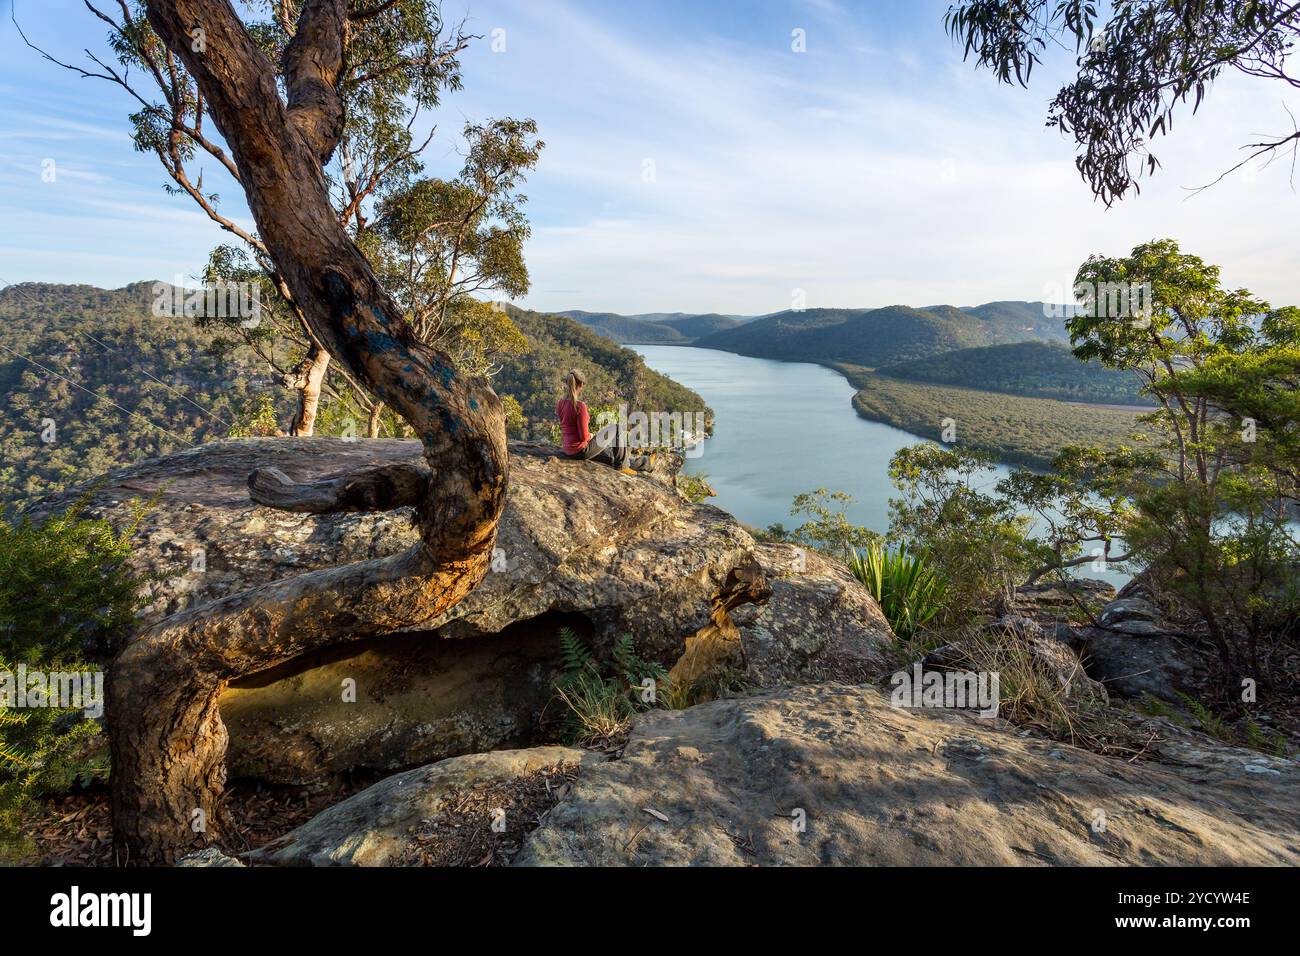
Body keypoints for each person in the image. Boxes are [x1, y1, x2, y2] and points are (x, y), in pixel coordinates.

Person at [556, 369, 652, 473]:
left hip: (568, 450)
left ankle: (646, 462)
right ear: (582, 385)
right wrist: (591, 436)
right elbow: (584, 437)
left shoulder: (560, 403)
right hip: (581, 451)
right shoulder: (580, 406)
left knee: (612, 456)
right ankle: (622, 467)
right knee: (616, 428)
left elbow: (566, 427)